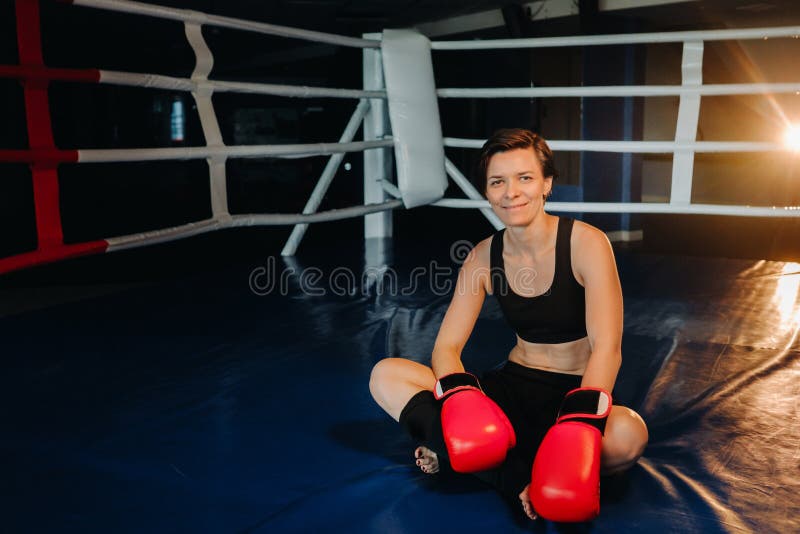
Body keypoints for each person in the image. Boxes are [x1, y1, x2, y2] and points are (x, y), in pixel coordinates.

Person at [369, 128, 649, 520]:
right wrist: (462, 401)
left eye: (525, 178)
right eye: (497, 182)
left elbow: (608, 347)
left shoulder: (587, 244)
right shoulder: (483, 257)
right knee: (387, 375)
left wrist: (581, 424)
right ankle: (515, 477)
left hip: (572, 392)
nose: (510, 193)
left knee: (627, 436)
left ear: (547, 183)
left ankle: (453, 451)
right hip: (510, 389)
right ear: (487, 190)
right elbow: (446, 348)